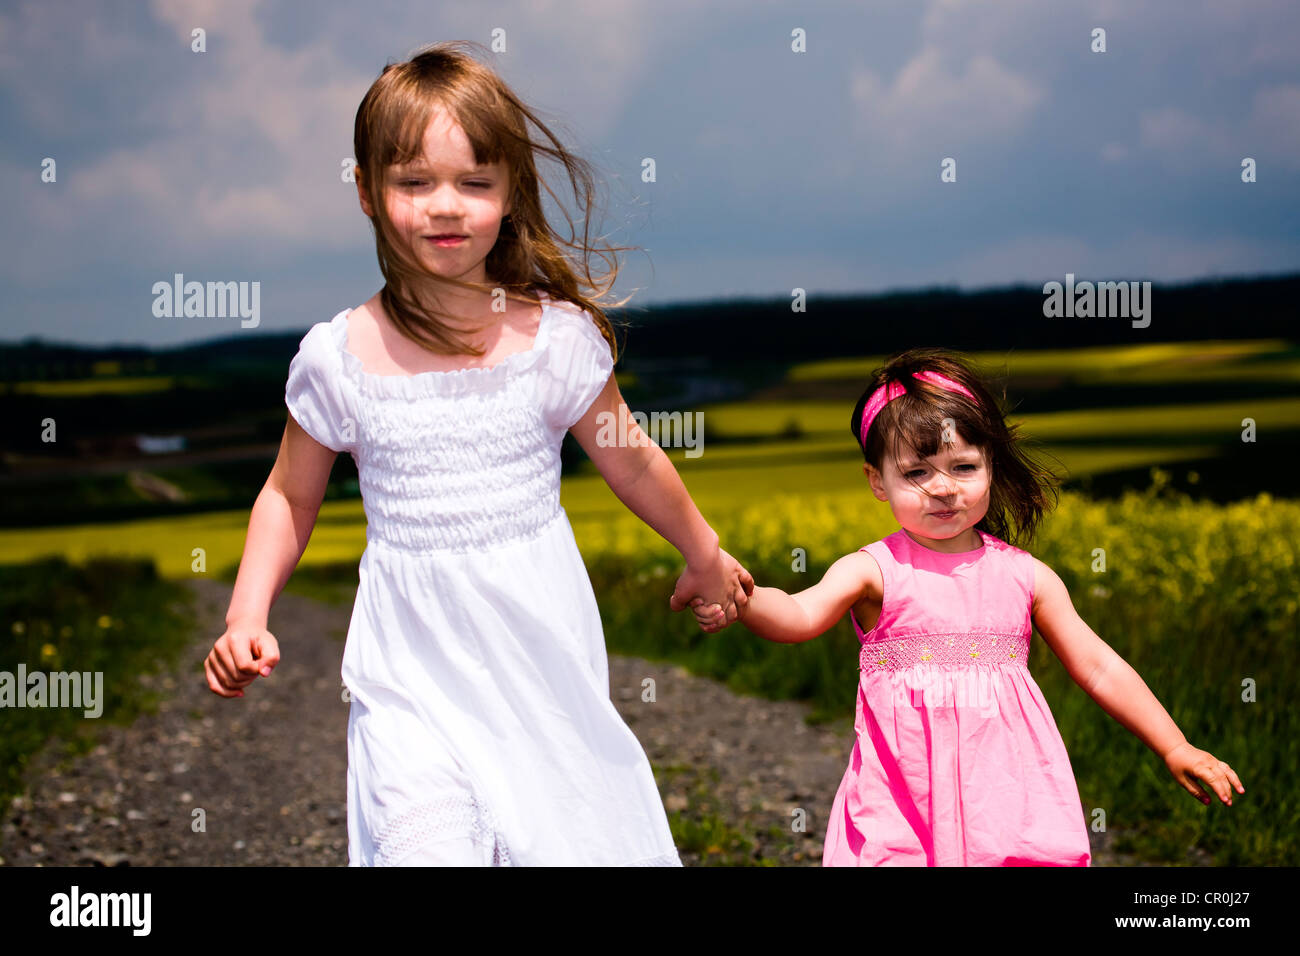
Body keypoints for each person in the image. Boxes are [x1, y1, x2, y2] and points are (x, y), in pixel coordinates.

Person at [204, 42, 753, 866]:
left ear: (509, 193)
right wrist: (247, 612)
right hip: (407, 673)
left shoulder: (553, 340)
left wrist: (703, 553)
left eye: (475, 182)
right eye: (413, 181)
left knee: (570, 840)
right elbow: (289, 495)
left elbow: (631, 456)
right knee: (425, 845)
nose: (445, 207)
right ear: (365, 191)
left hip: (537, 657)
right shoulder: (339, 356)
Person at [689, 346, 1244, 866]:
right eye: (917, 472)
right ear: (876, 482)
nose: (943, 488)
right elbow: (799, 616)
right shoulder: (873, 570)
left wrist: (1174, 744)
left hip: (1008, 800)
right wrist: (742, 593)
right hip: (903, 804)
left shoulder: (1027, 576)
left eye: (963, 467)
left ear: (991, 465)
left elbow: (1097, 666)